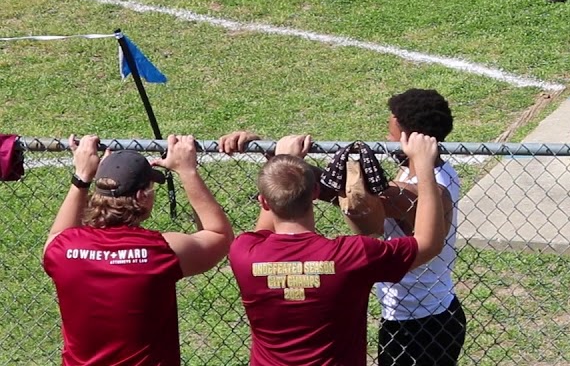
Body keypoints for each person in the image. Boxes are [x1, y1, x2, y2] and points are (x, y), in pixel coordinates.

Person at [219, 88, 465, 366]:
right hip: (419, 315)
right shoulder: (413, 172)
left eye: (391, 130)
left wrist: (281, 160)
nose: (386, 137)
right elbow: (307, 189)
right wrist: (272, 154)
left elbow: (333, 194)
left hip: (421, 324)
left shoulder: (243, 251)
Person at [43, 134, 233, 366]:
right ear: (142, 197)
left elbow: (56, 234)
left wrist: (82, 177)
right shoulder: (160, 251)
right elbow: (219, 235)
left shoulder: (62, 249)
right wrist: (187, 171)